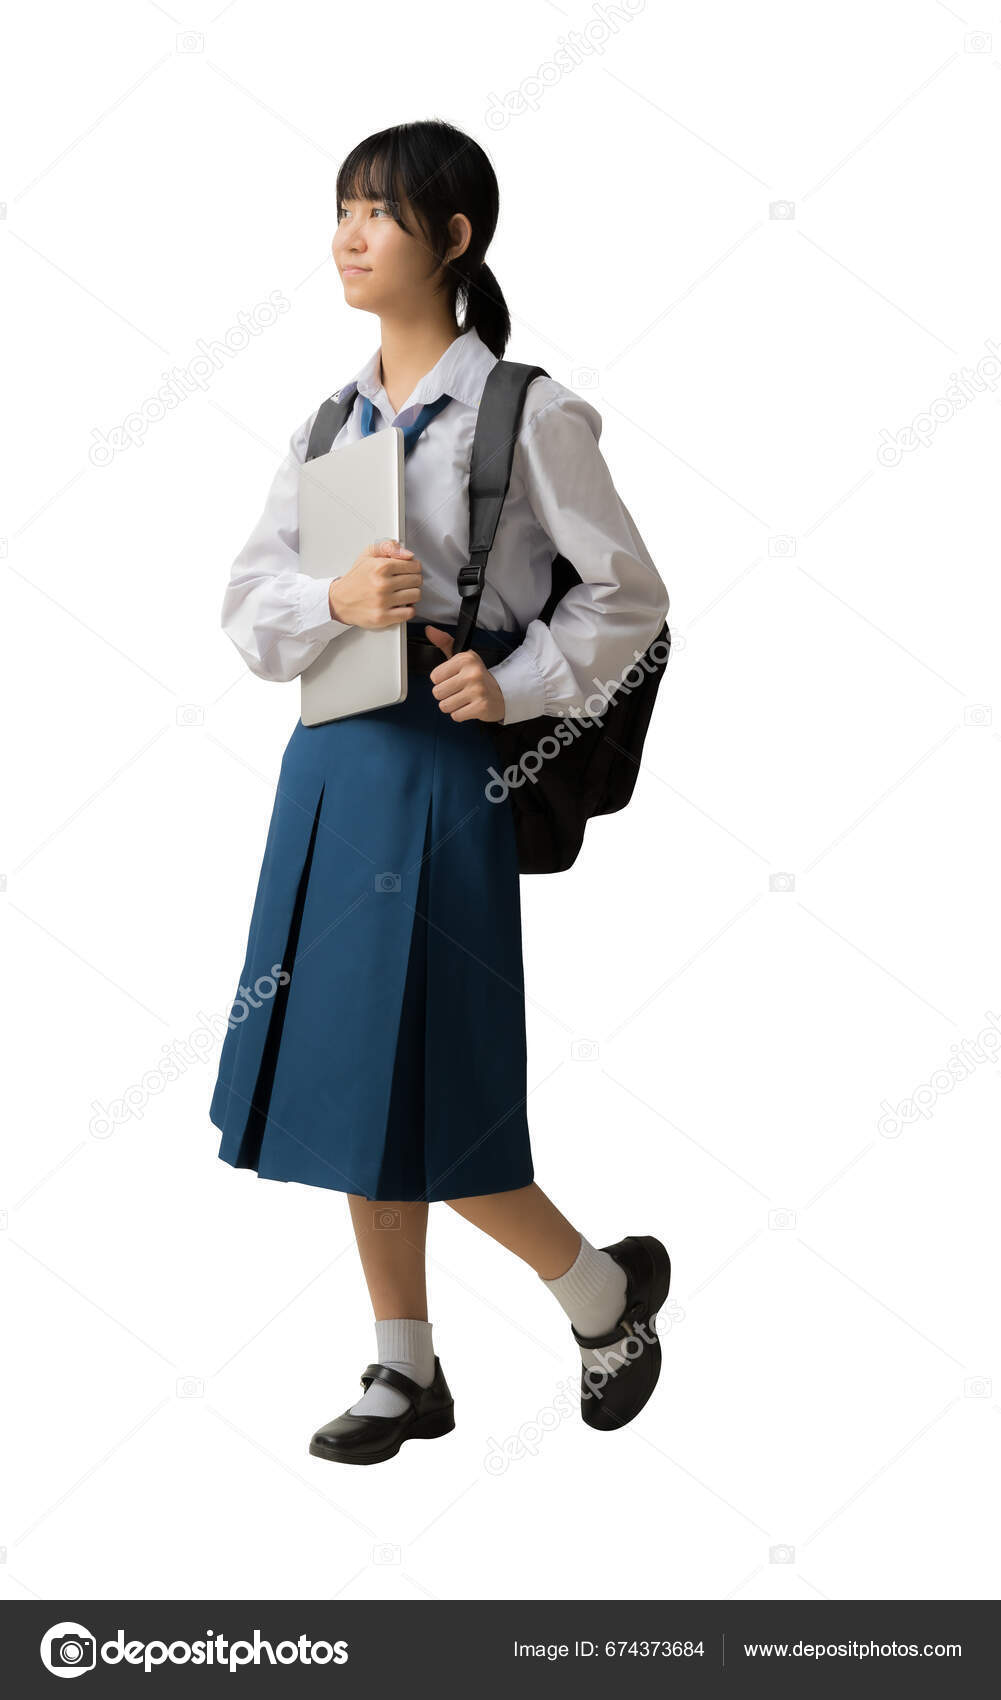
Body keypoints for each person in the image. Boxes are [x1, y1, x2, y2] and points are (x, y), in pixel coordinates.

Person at [210, 119, 672, 1466]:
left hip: (443, 772)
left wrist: (518, 683)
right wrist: (331, 596)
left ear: (453, 240)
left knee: (441, 1079)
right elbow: (247, 611)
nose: (348, 235)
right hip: (330, 769)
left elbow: (629, 600)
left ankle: (600, 1297)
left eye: (378, 213)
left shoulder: (531, 412)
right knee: (352, 1076)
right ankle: (404, 1367)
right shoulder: (327, 422)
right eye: (341, 209)